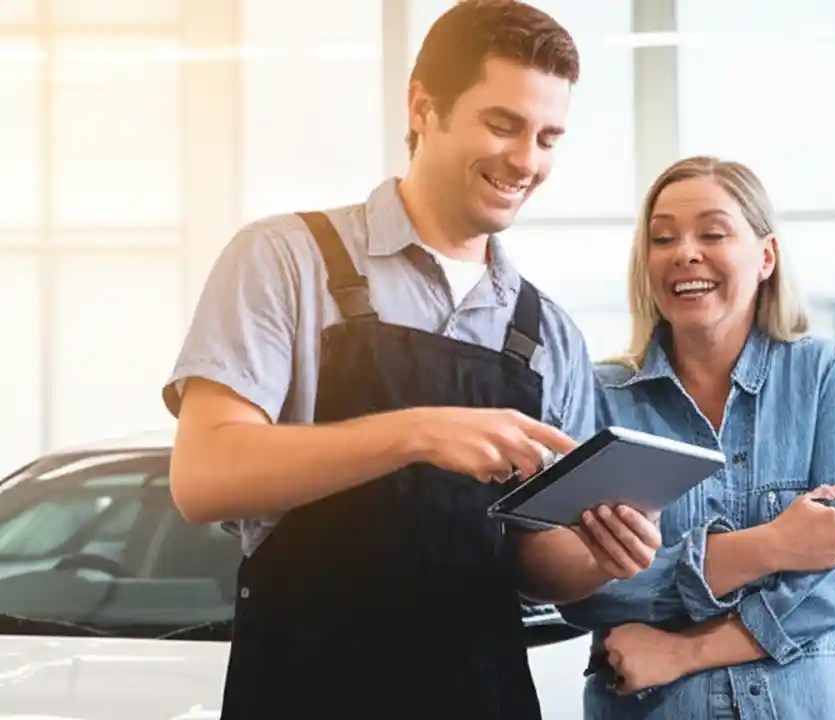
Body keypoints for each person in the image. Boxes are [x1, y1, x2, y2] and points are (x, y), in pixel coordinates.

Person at [162, 2, 661, 718]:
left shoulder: (548, 332)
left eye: (548, 137)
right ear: (423, 107)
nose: (527, 161)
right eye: (502, 124)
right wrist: (416, 432)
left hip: (478, 695)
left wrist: (603, 556)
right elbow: (204, 476)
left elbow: (530, 561)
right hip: (309, 692)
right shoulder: (286, 260)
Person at [559, 156, 835, 719]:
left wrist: (682, 650)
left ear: (766, 257)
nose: (684, 252)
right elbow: (583, 589)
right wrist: (770, 549)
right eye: (662, 237)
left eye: (713, 233)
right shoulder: (602, 399)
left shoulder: (821, 374)